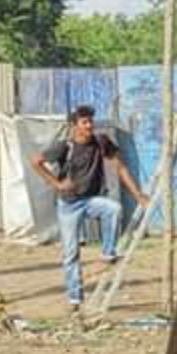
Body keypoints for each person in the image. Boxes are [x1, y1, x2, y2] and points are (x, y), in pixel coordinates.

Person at [31, 105, 148, 312]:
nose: (90, 125)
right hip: (68, 205)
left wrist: (138, 195)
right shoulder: (64, 147)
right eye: (84, 122)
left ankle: (108, 253)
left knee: (113, 209)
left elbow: (120, 168)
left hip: (91, 199)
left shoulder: (100, 142)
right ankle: (75, 300)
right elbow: (36, 161)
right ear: (74, 126)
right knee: (71, 253)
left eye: (91, 121)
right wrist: (57, 184)